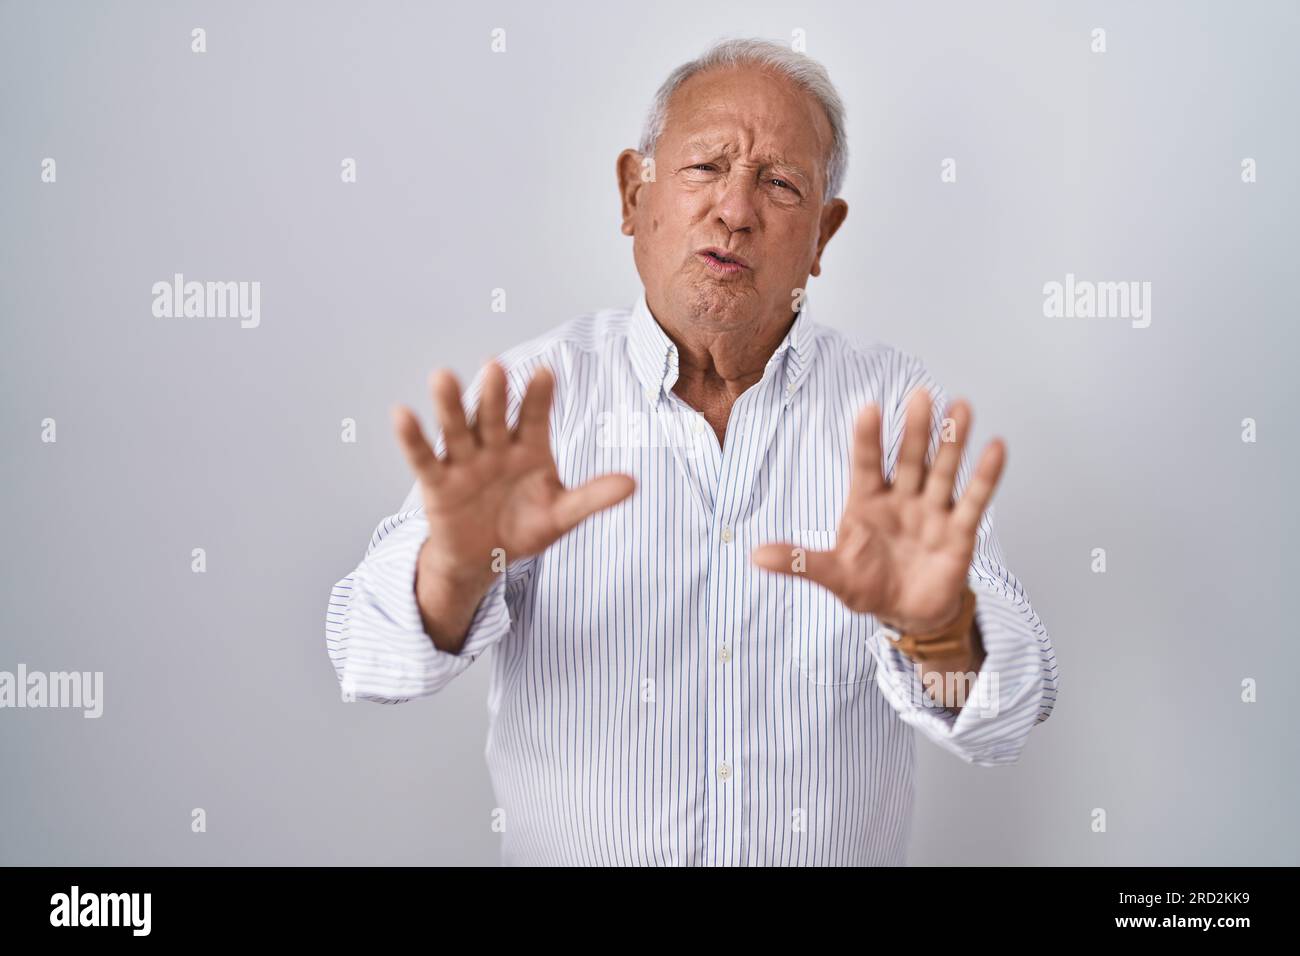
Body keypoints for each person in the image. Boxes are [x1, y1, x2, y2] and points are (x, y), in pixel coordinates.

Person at [326, 37, 1058, 865]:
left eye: (780, 184)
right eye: (706, 168)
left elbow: (1009, 714)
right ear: (634, 195)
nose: (736, 211)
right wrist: (454, 572)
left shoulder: (893, 414)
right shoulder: (533, 401)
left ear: (823, 234)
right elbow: (367, 660)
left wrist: (937, 629)